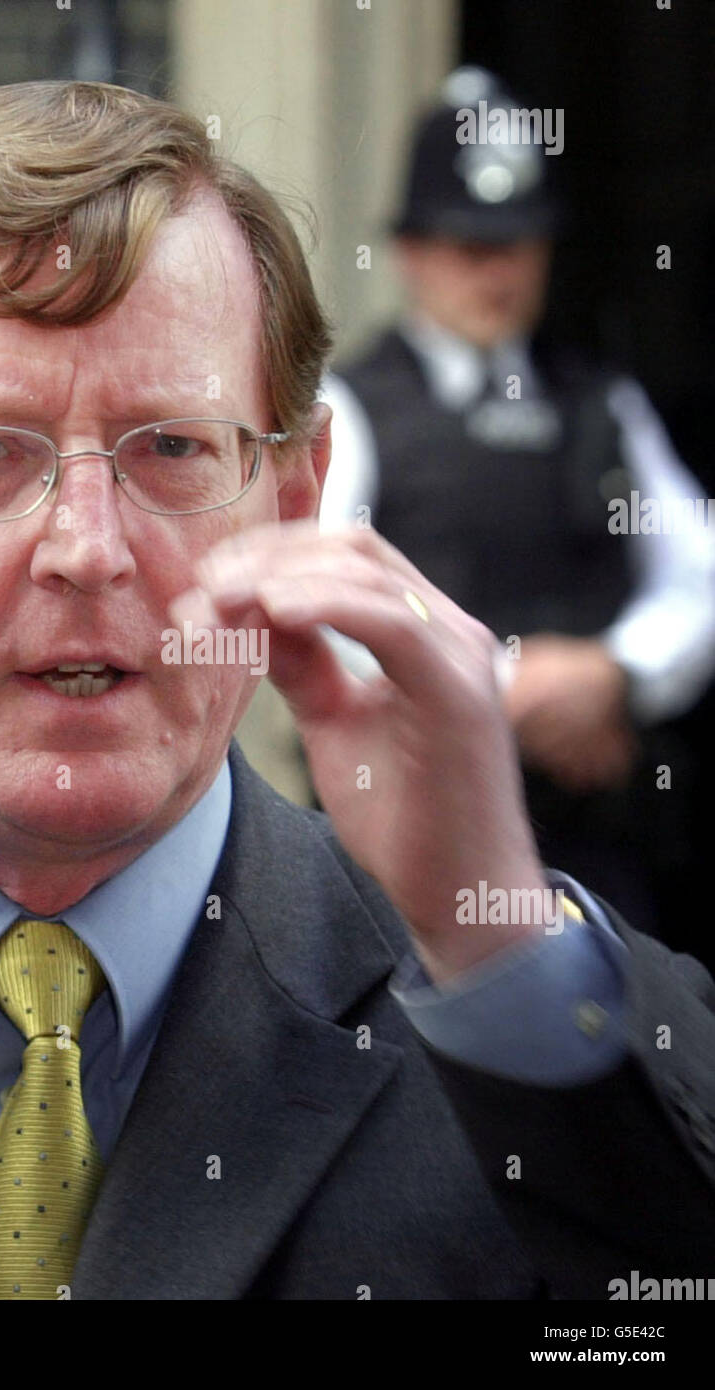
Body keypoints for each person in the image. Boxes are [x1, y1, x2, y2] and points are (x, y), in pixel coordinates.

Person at [0, 79, 713, 1303]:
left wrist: (491, 937)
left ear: (294, 499)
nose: (88, 545)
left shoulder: (493, 1010)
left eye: (172, 449)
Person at [325, 67, 715, 939]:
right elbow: (325, 609)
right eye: (469, 247)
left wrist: (616, 675)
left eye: (516, 245)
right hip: (415, 852)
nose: (495, 273)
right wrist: (504, 693)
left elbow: (699, 576)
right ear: (412, 250)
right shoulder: (350, 406)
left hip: (596, 849)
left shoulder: (602, 401)